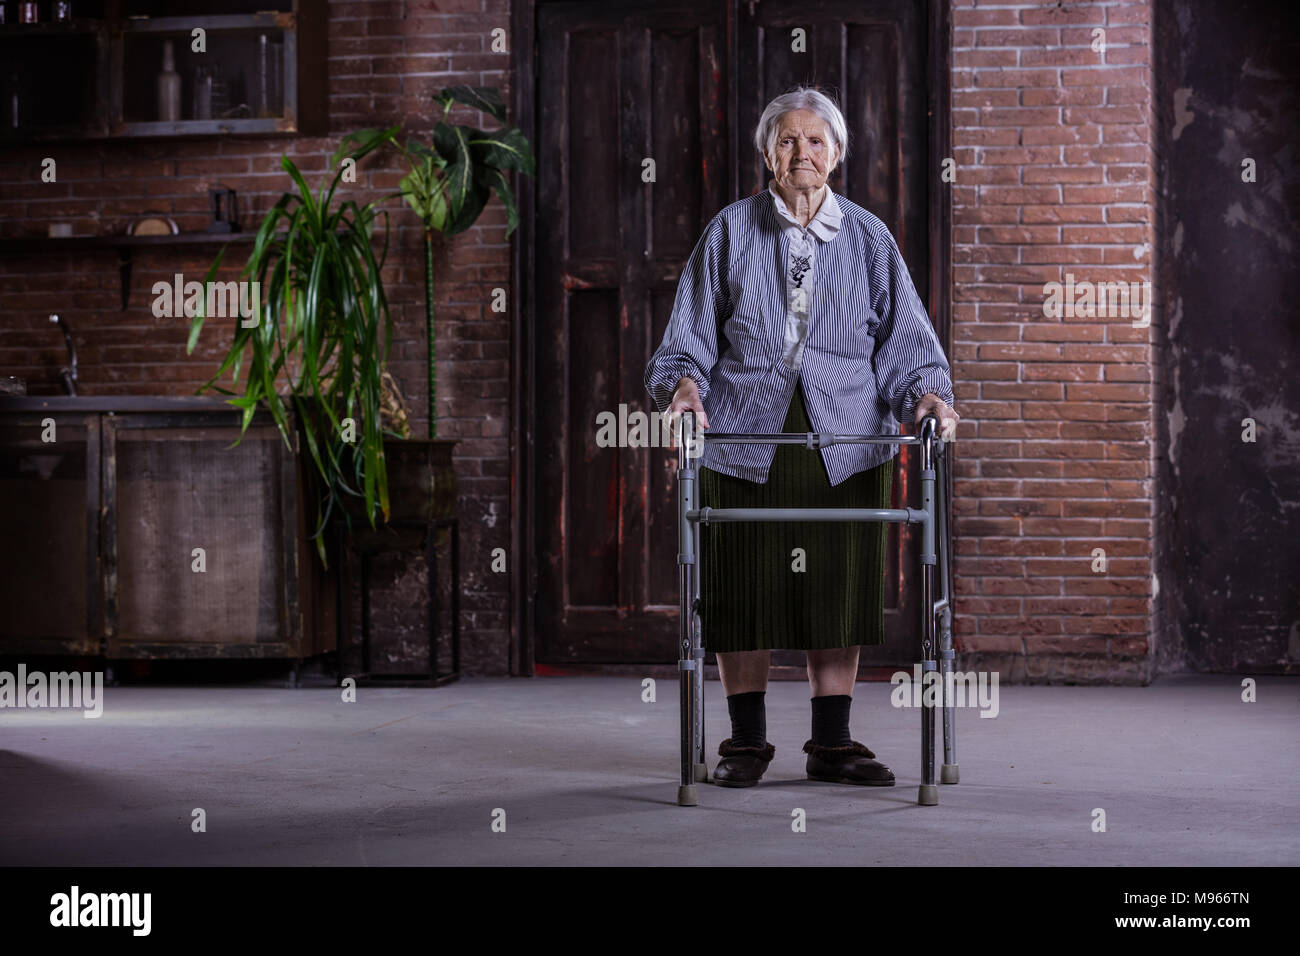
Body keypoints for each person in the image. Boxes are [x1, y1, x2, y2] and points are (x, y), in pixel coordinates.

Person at [644, 86, 959, 788]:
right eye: (788, 140)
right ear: (767, 153)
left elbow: (907, 346)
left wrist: (930, 397)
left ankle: (832, 742)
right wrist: (686, 391)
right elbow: (685, 342)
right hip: (744, 432)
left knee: (836, 584)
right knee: (740, 587)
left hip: (845, 437)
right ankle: (746, 743)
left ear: (838, 154)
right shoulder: (728, 231)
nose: (802, 153)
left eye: (816, 140)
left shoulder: (871, 238)